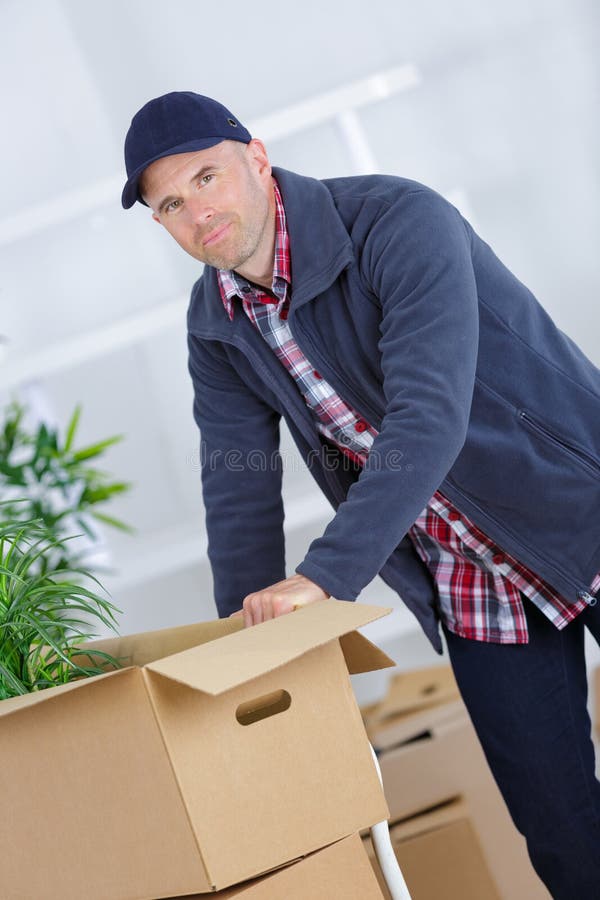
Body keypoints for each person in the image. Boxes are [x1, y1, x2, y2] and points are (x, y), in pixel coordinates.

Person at [122, 91, 600, 897]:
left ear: (258, 157)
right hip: (470, 578)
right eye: (171, 202)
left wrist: (323, 580)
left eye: (207, 177)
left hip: (574, 509)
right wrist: (246, 661)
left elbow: (427, 417)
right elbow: (237, 483)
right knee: (563, 837)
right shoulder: (216, 325)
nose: (197, 210)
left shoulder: (396, 221)